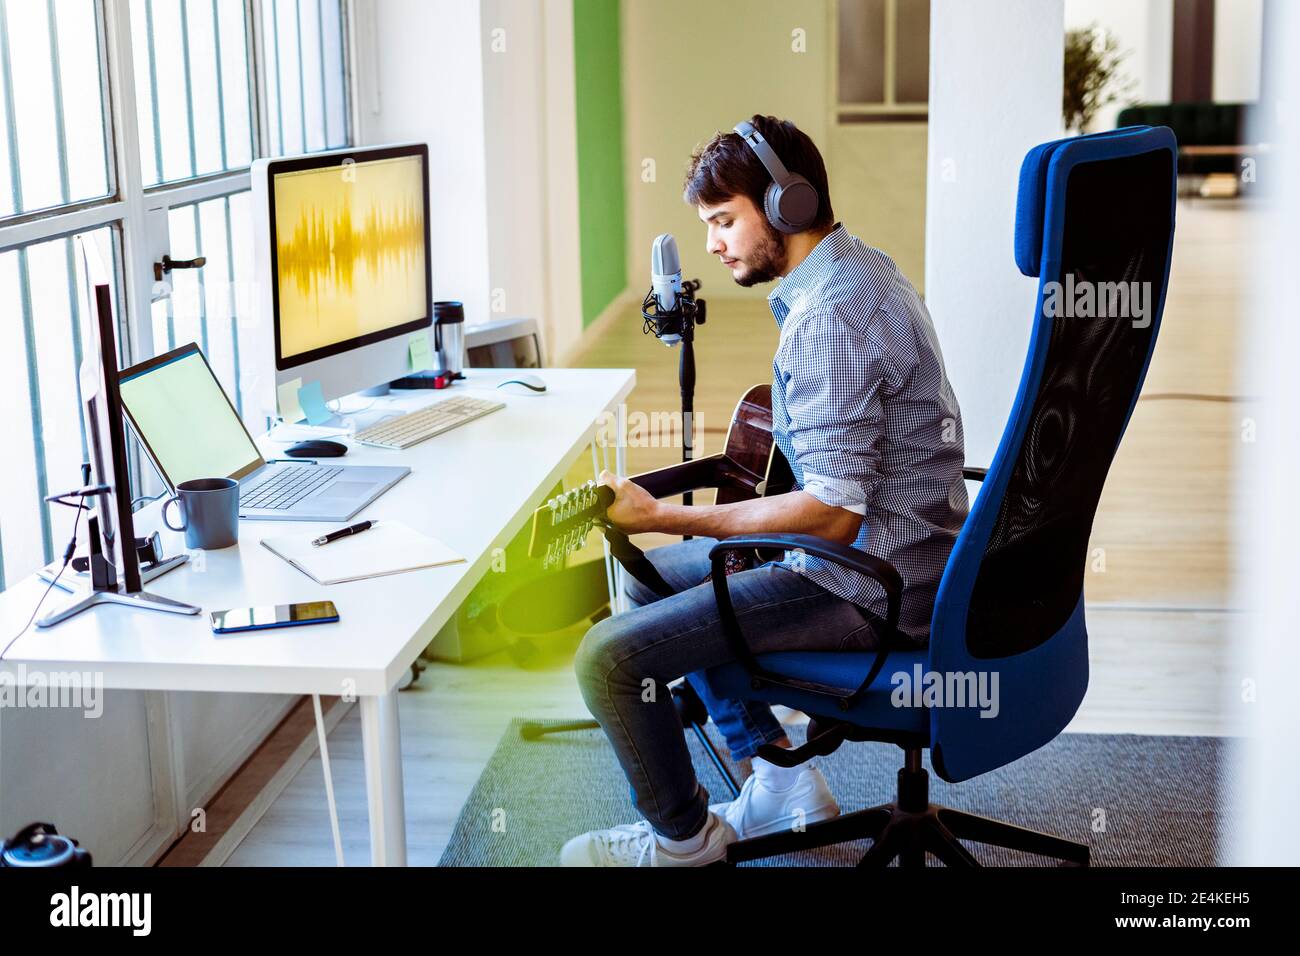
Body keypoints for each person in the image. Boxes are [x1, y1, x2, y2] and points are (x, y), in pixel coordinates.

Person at [560, 115, 969, 866]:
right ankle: (782, 779)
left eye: (724, 221)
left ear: (789, 207)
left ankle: (682, 843)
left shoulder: (831, 318)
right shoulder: (863, 270)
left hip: (864, 589)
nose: (713, 244)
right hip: (902, 560)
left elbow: (832, 515)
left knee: (607, 660)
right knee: (648, 581)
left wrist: (666, 516)